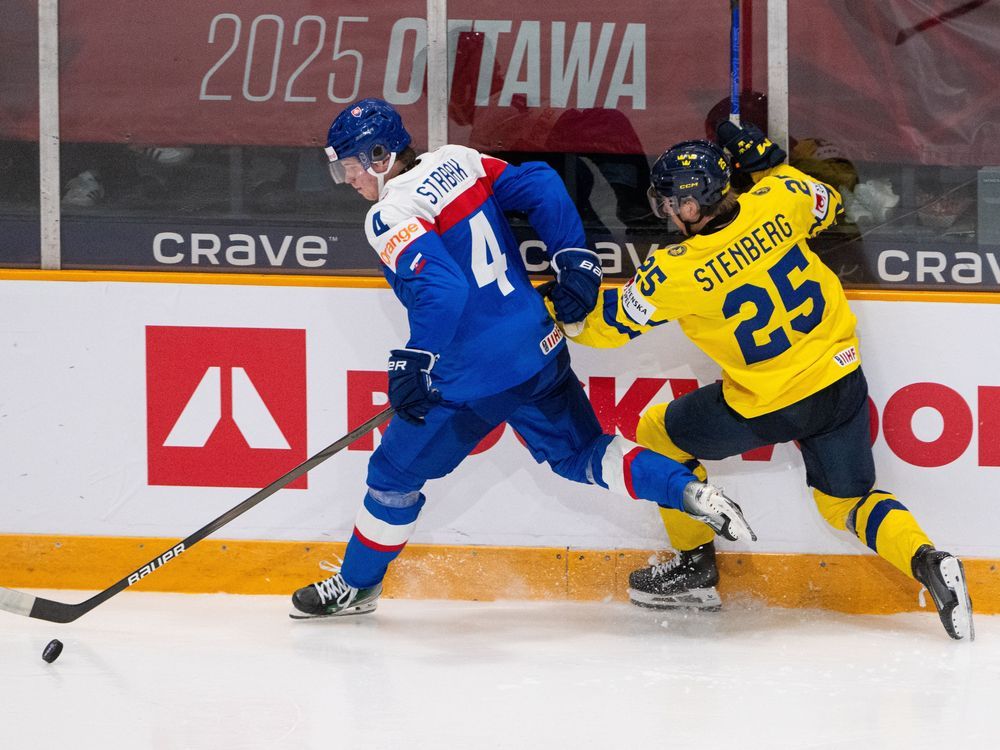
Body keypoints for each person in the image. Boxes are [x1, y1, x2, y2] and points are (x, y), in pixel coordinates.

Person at [289, 98, 756, 619]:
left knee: (393, 475)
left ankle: (356, 587)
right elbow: (539, 183)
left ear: (381, 156)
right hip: (540, 346)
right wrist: (574, 258)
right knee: (582, 453)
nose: (348, 179)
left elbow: (442, 290)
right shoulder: (457, 161)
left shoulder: (390, 214)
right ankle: (685, 489)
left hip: (472, 378)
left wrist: (414, 360)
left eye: (351, 165)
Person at [555, 121, 974, 640]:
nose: (664, 210)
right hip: (842, 384)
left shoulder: (675, 272)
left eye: (670, 201)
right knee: (846, 502)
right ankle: (929, 559)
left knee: (660, 431)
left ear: (692, 205)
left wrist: (555, 305)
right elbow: (828, 202)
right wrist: (770, 164)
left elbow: (604, 330)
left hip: (773, 403)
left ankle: (693, 570)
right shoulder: (780, 196)